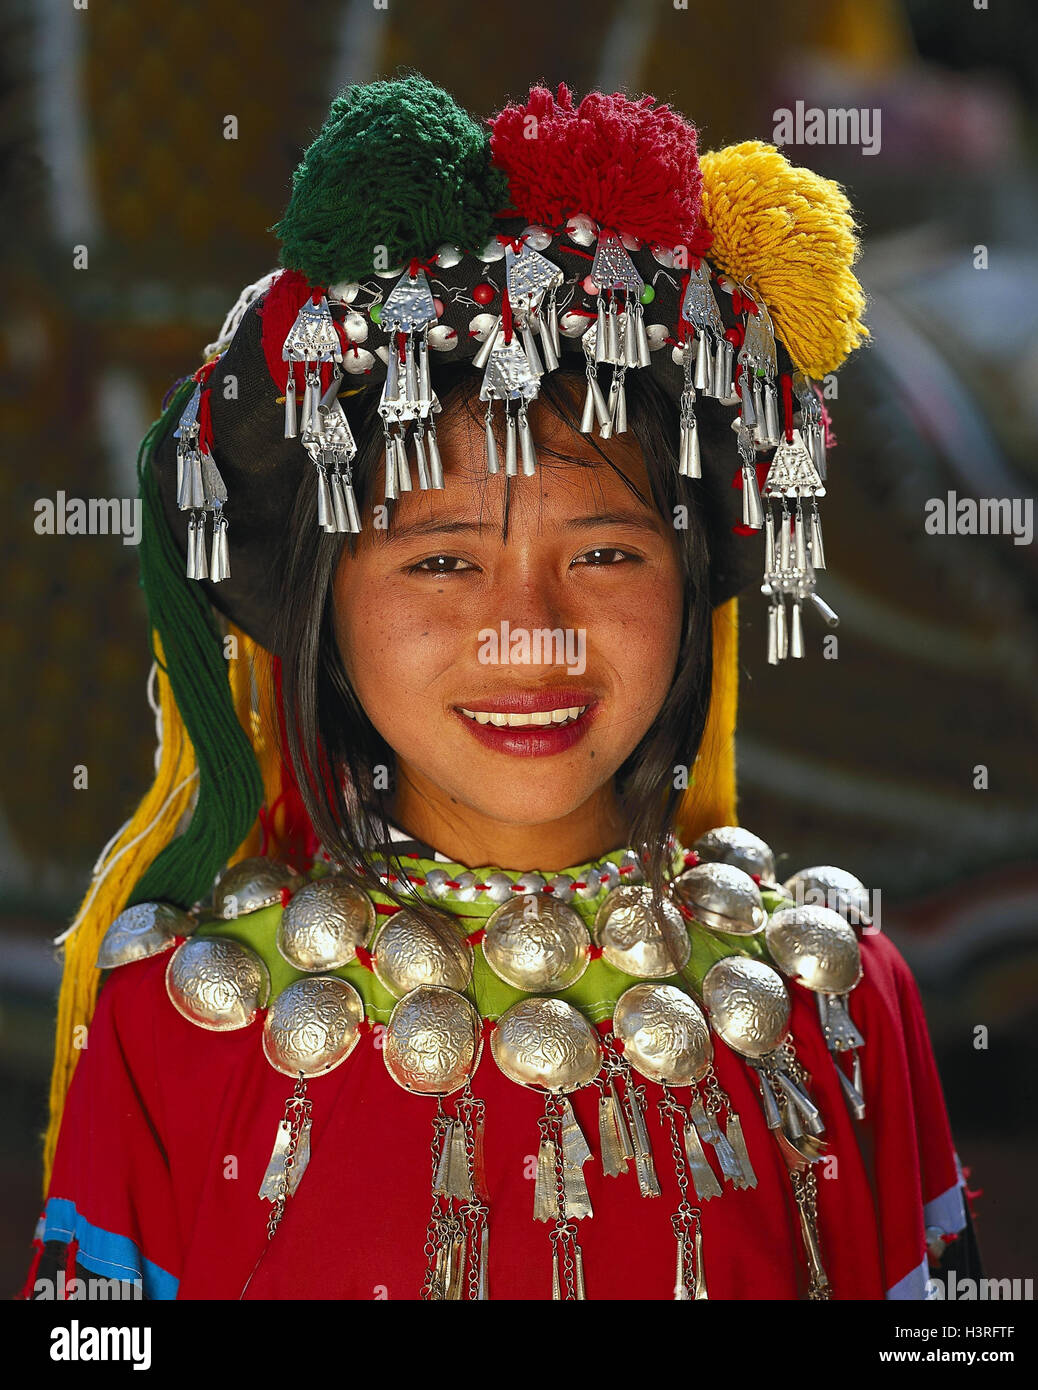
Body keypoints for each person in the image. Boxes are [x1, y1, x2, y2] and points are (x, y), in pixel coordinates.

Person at [23, 73, 979, 1301]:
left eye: (602, 553)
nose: (527, 629)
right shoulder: (177, 1025)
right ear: (322, 609)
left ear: (692, 583)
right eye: (439, 559)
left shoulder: (827, 996)